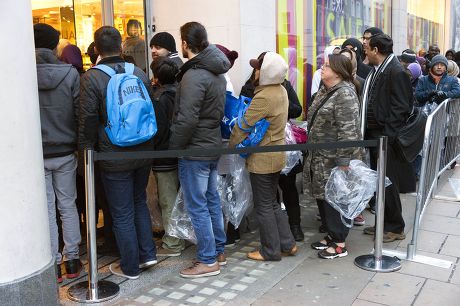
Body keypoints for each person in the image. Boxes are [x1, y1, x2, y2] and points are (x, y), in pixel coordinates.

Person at [79, 26, 167, 279]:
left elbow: (86, 120)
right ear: (121, 47)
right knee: (138, 201)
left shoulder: (92, 78)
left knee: (122, 211)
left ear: (96, 49)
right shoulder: (138, 72)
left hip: (113, 153)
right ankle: (148, 254)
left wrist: (85, 153)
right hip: (143, 149)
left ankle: (129, 267)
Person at [169, 22, 230, 278]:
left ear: (184, 43)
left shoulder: (194, 74)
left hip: (195, 148)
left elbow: (187, 118)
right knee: (211, 200)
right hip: (211, 144)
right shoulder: (216, 72)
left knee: (198, 206)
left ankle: (207, 260)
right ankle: (217, 252)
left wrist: (174, 146)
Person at [229, 51, 297, 261]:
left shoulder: (264, 96)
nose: (255, 71)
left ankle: (270, 250)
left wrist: (231, 144)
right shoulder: (282, 91)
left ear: (266, 72)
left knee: (264, 205)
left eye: (258, 68)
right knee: (273, 202)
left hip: (263, 158)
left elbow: (244, 124)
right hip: (277, 154)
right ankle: (287, 243)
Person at [33, 23, 82, 283]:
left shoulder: (21, 74)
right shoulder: (71, 74)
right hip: (65, 150)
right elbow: (78, 113)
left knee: (47, 208)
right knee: (67, 206)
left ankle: (52, 263)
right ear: (55, 46)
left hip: (35, 153)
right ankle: (72, 261)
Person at [240, 52, 304, 241]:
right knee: (270, 198)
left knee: (286, 188)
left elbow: (297, 109)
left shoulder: (280, 89)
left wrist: (275, 111)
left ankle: (292, 228)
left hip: (275, 145)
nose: (256, 71)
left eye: (259, 67)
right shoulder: (250, 87)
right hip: (262, 146)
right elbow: (243, 113)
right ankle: (280, 237)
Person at [307, 54, 363, 259]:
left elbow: (348, 132)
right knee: (322, 196)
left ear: (338, 72)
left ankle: (339, 243)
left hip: (333, 159)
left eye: (327, 66)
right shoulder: (327, 90)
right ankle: (331, 234)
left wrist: (343, 162)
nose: (322, 68)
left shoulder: (344, 94)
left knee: (334, 199)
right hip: (320, 156)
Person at [361, 33, 413, 242]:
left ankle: (395, 226)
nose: (364, 49)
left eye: (367, 47)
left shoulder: (395, 71)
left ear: (376, 50)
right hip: (376, 136)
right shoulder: (379, 69)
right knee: (380, 182)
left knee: (388, 182)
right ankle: (383, 222)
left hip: (385, 139)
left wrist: (386, 136)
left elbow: (401, 107)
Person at [150, 57, 185, 257]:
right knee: (180, 198)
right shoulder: (181, 92)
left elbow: (159, 129)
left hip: (164, 156)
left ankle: (173, 243)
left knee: (168, 199)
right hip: (182, 153)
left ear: (157, 78)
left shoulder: (159, 98)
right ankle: (180, 236)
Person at [214, 44, 242, 247]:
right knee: (229, 188)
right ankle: (233, 230)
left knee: (225, 189)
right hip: (228, 142)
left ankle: (230, 231)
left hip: (223, 143)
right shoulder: (226, 81)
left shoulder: (221, 82)